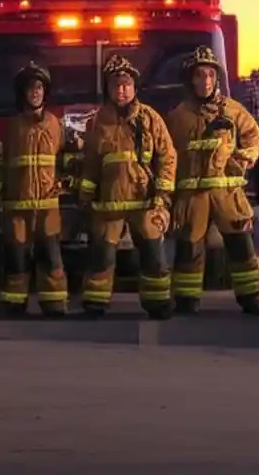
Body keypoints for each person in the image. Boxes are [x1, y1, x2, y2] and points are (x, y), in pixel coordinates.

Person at [165, 46, 259, 316]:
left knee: (240, 245)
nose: (205, 81)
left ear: (216, 79)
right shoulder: (178, 117)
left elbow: (253, 137)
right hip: (192, 196)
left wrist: (243, 158)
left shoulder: (232, 111)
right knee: (188, 248)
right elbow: (166, 154)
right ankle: (186, 299)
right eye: (200, 75)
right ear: (191, 79)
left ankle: (250, 297)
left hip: (227, 193)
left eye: (210, 75)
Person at [77, 54, 176, 319]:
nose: (121, 90)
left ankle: (158, 303)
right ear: (108, 89)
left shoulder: (150, 119)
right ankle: (95, 303)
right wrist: (86, 193)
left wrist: (163, 194)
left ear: (134, 87)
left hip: (144, 201)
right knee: (102, 255)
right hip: (109, 203)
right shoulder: (98, 122)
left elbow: (167, 155)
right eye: (115, 85)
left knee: (153, 255)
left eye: (126, 84)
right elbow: (92, 162)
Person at [0, 61, 69, 317]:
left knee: (50, 255)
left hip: (48, 206)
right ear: (23, 94)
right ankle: (14, 302)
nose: (35, 93)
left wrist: (66, 183)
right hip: (17, 205)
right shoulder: (12, 127)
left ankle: (54, 301)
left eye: (39, 88)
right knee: (16, 256)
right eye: (30, 89)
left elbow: (66, 159)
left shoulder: (55, 125)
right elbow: (1, 163)